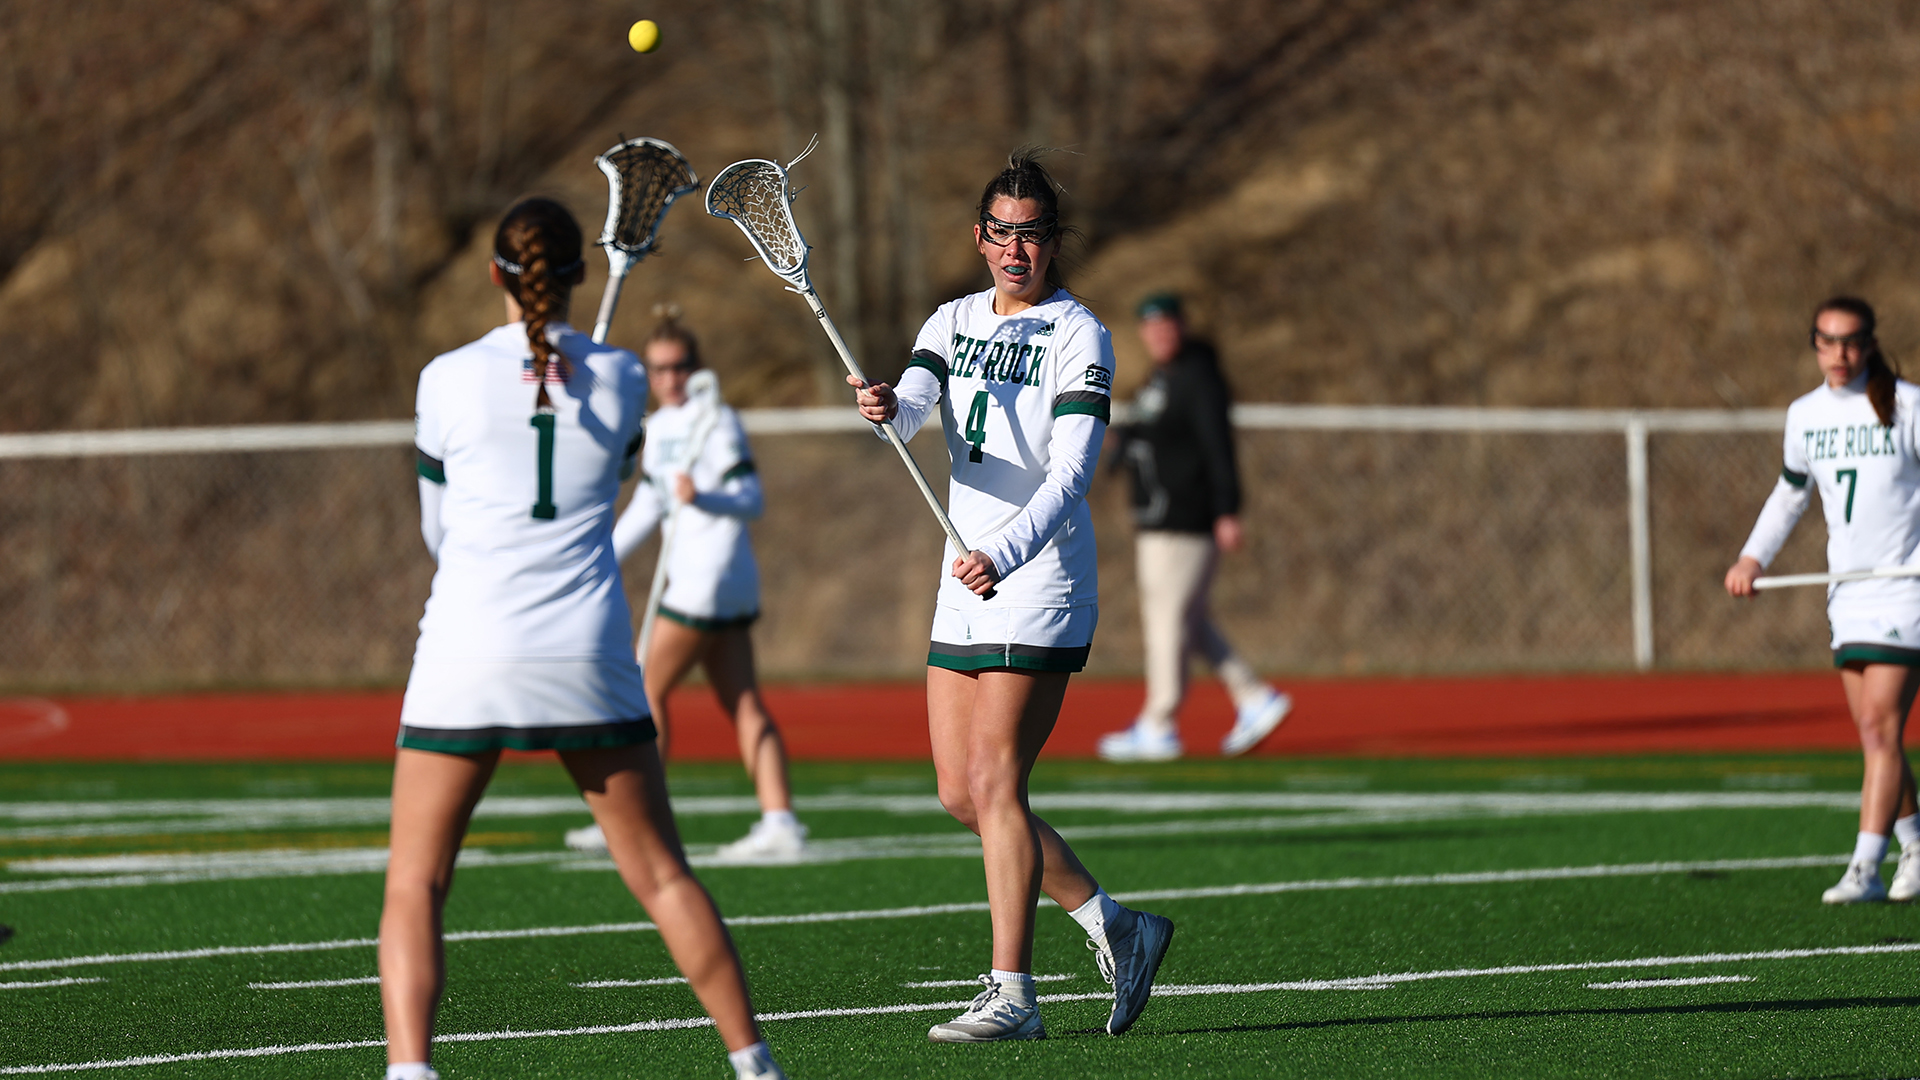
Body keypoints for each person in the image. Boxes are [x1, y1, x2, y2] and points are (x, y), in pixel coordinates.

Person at [384, 197, 788, 1080]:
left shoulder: (444, 377)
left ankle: (410, 1071)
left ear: (495, 275)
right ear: (577, 279)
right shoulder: (623, 377)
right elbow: (611, 478)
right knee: (662, 876)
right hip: (585, 651)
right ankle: (754, 1064)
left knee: (415, 883)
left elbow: (437, 534)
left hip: (466, 648)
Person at [849, 152, 1174, 1043]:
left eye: (1032, 234)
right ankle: (1117, 924)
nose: (1015, 249)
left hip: (1038, 582)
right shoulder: (951, 320)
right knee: (962, 793)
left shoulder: (1082, 335)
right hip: (965, 585)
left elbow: (1071, 472)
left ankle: (1013, 993)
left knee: (998, 780)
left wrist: (1006, 549)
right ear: (980, 238)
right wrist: (885, 406)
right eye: (1001, 233)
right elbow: (916, 403)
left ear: (1052, 241)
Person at [567, 309, 807, 861]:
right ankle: (780, 821)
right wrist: (596, 557)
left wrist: (704, 498)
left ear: (695, 368)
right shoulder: (659, 430)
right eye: (659, 369)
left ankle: (632, 818)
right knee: (743, 701)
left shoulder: (716, 421)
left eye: (679, 367)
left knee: (643, 687)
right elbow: (648, 507)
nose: (670, 378)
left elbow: (751, 499)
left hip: (712, 575)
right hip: (717, 583)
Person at [1726, 295, 1920, 905]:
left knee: (1877, 724)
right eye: (1827, 341)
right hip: (1848, 593)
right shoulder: (1805, 415)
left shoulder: (1910, 407)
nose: (1840, 354)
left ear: (1870, 341)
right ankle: (1916, 844)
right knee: (1875, 737)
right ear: (1814, 343)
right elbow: (1790, 496)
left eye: (1852, 340)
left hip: (1907, 589)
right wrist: (1753, 557)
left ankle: (1865, 867)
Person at [1097, 293, 1291, 762]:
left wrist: (1227, 509)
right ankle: (1253, 697)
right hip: (1159, 518)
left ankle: (1159, 722)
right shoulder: (1159, 381)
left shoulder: (1198, 377)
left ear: (1181, 326)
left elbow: (1216, 445)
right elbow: (1141, 430)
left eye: (1167, 325)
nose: (1160, 334)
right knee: (1190, 619)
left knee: (1167, 619)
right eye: (1151, 327)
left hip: (1184, 520)